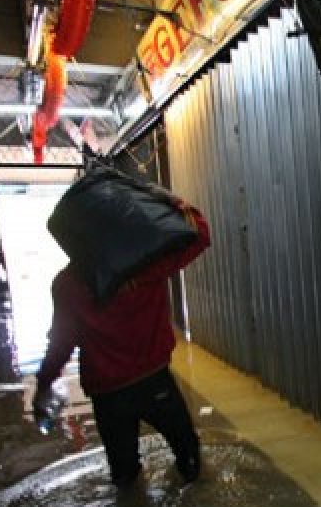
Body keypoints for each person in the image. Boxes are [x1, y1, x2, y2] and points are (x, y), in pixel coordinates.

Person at [33, 199, 211, 487]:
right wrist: (172, 202)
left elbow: (61, 343)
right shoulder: (145, 264)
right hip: (154, 382)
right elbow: (200, 236)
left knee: (125, 477)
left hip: (108, 395)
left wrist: (43, 385)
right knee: (189, 457)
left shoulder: (67, 284)